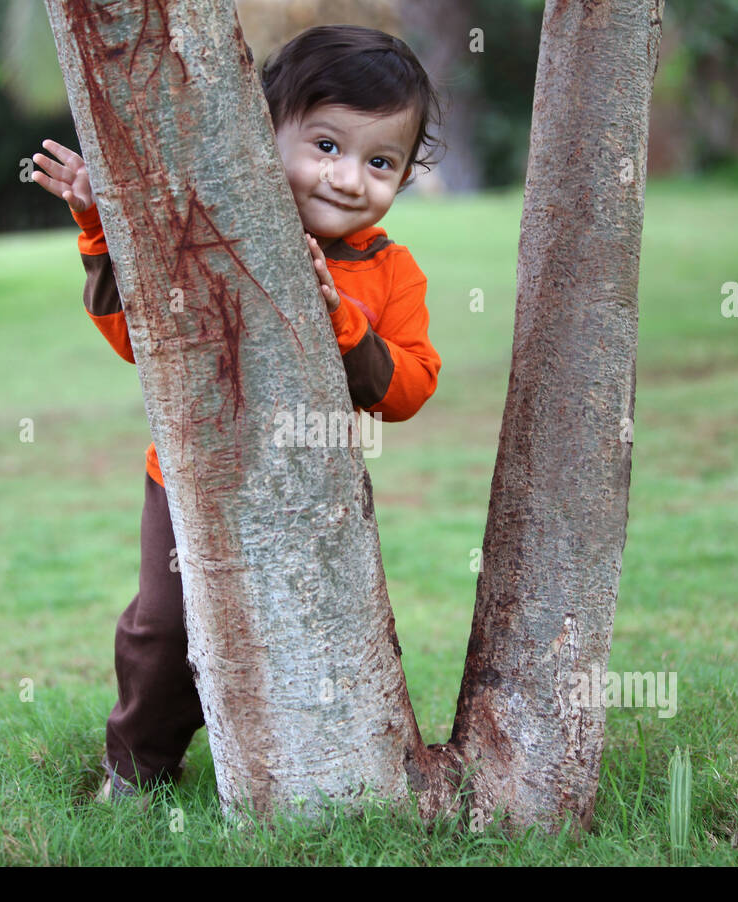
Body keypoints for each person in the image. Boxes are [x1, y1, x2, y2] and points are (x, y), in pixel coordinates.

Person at [31, 24, 445, 801]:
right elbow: (137, 340)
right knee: (162, 628)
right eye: (326, 145)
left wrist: (345, 326)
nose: (351, 178)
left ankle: (308, 776)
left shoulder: (393, 273)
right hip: (190, 480)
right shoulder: (212, 232)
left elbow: (411, 387)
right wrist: (99, 227)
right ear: (262, 131)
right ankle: (137, 770)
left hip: (312, 488)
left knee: (300, 636)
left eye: (380, 161)